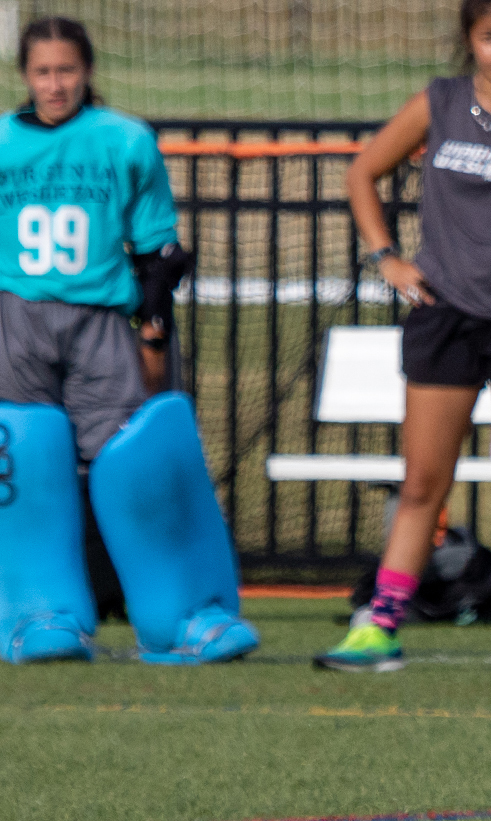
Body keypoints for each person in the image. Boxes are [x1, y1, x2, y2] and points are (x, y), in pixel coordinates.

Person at [316, 0, 491, 674]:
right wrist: (386, 257)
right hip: (445, 315)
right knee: (422, 484)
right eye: (490, 37)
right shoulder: (437, 102)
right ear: (469, 41)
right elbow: (361, 173)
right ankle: (380, 626)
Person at [0, 16, 258, 666]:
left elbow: (157, 250)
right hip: (18, 319)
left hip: (99, 322)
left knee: (134, 456)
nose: (55, 85)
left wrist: (154, 324)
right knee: (25, 460)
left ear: (86, 71)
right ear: (24, 76)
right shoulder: (2, 141)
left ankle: (185, 616)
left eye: (66, 70)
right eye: (42, 72)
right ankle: (39, 615)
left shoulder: (124, 139)